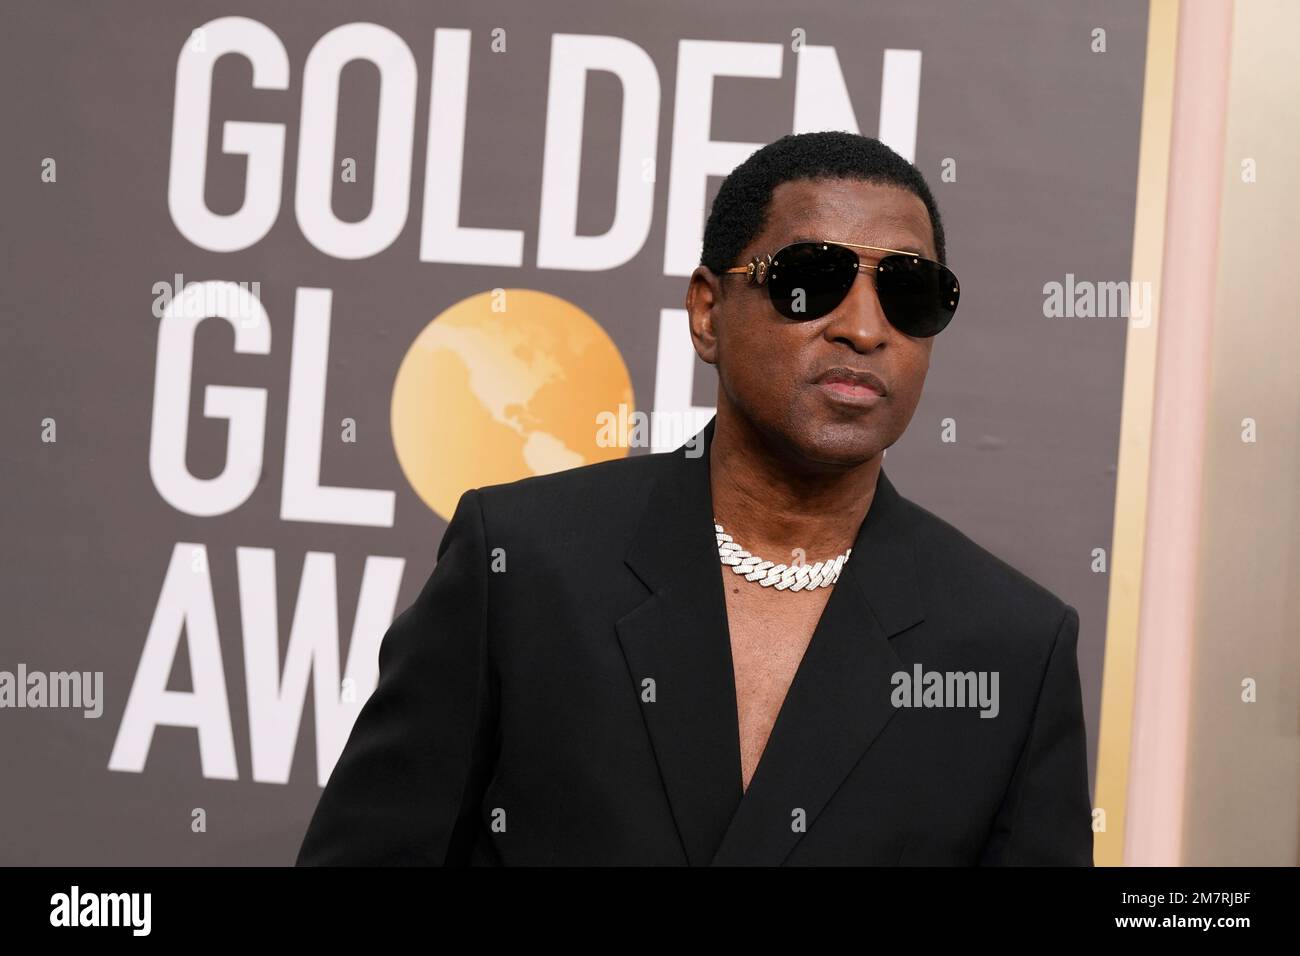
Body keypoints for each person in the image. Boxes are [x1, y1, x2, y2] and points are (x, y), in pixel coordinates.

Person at [296, 131, 1094, 866]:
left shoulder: (1012, 649)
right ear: (708, 312)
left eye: (910, 293)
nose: (862, 327)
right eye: (810, 279)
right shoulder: (520, 562)